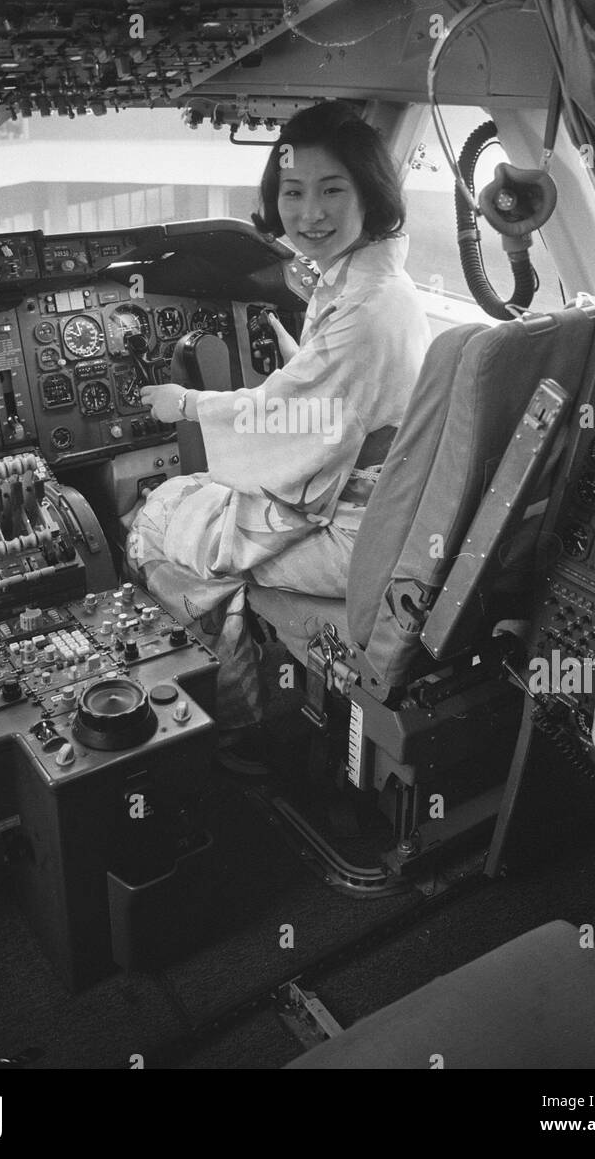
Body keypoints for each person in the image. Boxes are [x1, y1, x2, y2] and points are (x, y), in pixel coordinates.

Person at [125, 100, 431, 771]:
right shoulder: (372, 284)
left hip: (352, 527)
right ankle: (246, 706)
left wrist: (185, 404)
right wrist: (297, 357)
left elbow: (289, 424)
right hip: (373, 500)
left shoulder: (367, 310)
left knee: (156, 524)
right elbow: (332, 397)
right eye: (293, 192)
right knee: (191, 497)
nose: (309, 213)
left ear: (370, 195)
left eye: (332, 190)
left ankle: (237, 724)